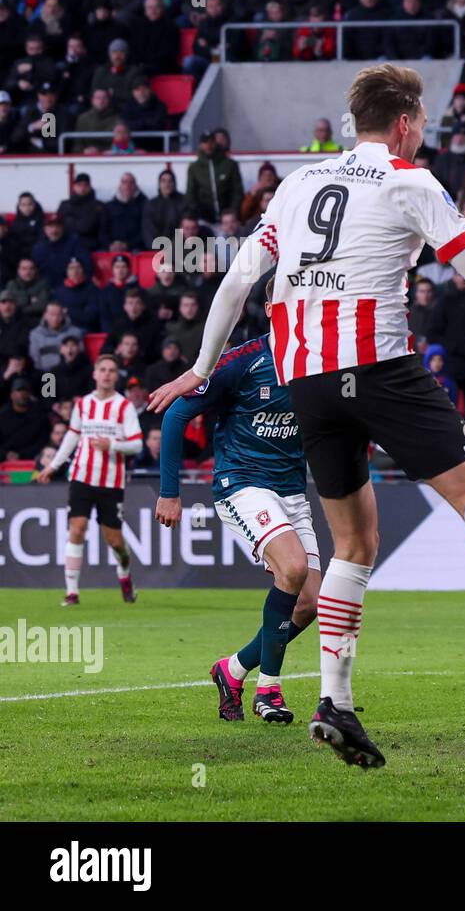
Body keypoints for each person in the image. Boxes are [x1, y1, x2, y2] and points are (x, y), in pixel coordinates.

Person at [148, 63, 465, 768]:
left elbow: (237, 279)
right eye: (423, 119)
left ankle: (335, 703)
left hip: (307, 380)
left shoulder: (297, 184)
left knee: (355, 545)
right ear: (404, 123)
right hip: (378, 366)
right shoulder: (412, 179)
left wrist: (200, 365)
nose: (424, 129)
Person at [156, 281, 320, 725]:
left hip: (291, 491)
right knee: (293, 567)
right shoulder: (244, 361)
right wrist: (170, 491)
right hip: (242, 483)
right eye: (288, 300)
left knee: (310, 603)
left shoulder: (321, 362)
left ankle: (231, 670)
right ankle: (270, 690)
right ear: (270, 307)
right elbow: (176, 415)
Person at [36, 354, 142, 605]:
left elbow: (137, 444)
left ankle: (125, 575)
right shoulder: (83, 404)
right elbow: (72, 437)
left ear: (117, 376)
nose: (106, 374)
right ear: (94, 373)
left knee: (115, 541)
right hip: (81, 476)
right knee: (77, 529)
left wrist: (112, 444)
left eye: (111, 370)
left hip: (111, 482)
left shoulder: (123, 406)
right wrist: (53, 465)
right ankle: (72, 592)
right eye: (102, 369)